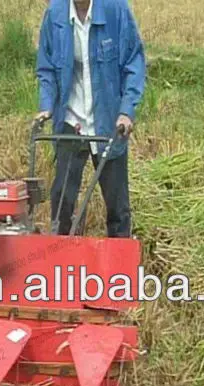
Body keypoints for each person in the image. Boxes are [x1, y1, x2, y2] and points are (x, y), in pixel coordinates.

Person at [35, 0, 145, 238]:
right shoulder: (55, 14)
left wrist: (126, 110)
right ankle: (60, 259)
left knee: (117, 204)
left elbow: (133, 63)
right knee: (62, 199)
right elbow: (46, 68)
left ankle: (119, 265)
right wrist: (47, 105)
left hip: (108, 120)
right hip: (71, 118)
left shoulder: (116, 10)